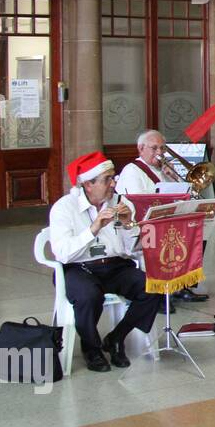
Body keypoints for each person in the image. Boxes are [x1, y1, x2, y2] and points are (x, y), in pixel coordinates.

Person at [47, 152, 163, 372]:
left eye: (113, 177)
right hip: (77, 267)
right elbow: (62, 253)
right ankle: (92, 348)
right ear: (88, 184)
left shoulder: (121, 201)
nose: (113, 183)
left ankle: (116, 337)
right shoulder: (64, 207)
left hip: (115, 265)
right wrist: (94, 228)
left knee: (152, 287)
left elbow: (137, 248)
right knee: (89, 295)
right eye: (107, 179)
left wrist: (131, 225)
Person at [116, 129, 209, 304]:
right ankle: (157, 294)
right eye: (154, 148)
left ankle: (181, 284)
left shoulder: (164, 170)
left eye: (162, 148)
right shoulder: (132, 170)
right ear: (140, 148)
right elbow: (141, 201)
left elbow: (184, 196)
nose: (159, 153)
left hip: (165, 220)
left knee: (196, 233)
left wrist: (174, 178)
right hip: (139, 224)